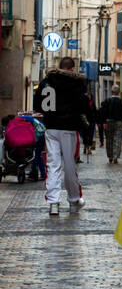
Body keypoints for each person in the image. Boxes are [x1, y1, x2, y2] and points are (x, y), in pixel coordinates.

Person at [34, 57, 88, 215]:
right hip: (69, 129)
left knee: (53, 164)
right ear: (72, 69)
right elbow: (82, 106)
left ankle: (53, 202)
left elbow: (37, 104)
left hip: (51, 128)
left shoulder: (46, 82)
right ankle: (73, 199)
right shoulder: (76, 84)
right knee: (70, 165)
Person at [99, 85, 122, 164]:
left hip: (109, 122)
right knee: (118, 139)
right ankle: (116, 156)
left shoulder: (107, 101)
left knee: (109, 139)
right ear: (119, 92)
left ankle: (110, 157)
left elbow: (103, 112)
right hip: (119, 122)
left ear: (111, 91)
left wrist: (104, 122)